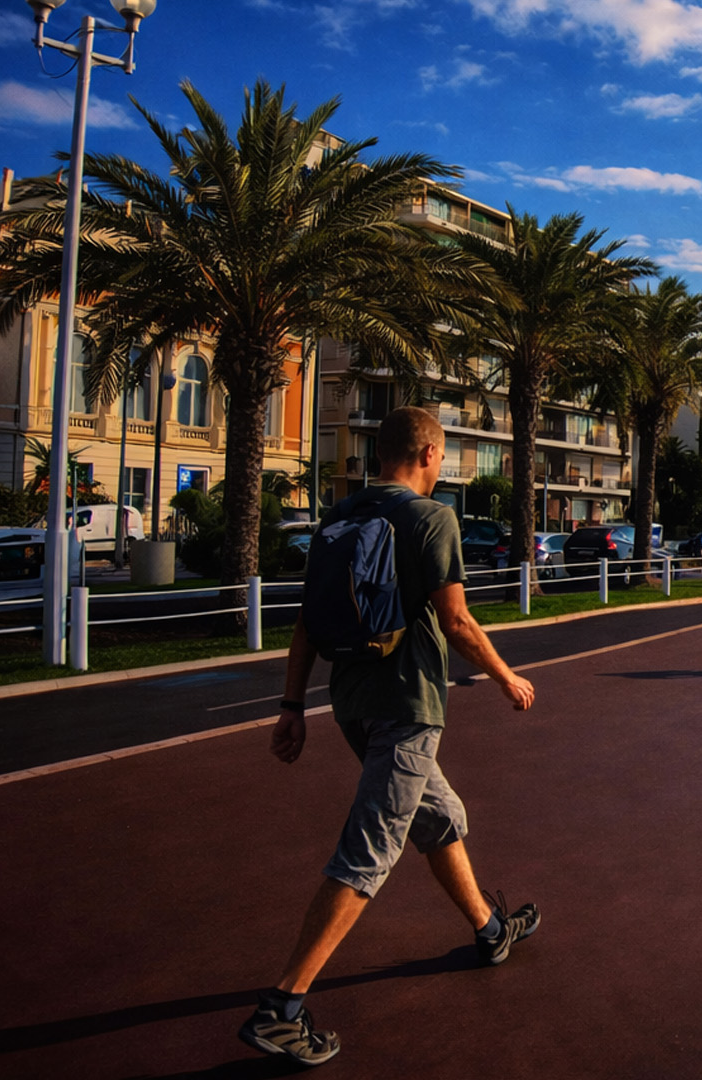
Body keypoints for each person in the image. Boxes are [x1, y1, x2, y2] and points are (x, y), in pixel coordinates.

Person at [241, 407, 539, 1067]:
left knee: (439, 818)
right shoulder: (430, 517)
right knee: (370, 849)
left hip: (352, 703)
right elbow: (456, 621)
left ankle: (490, 930)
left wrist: (292, 706)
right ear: (430, 454)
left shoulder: (337, 522)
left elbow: (305, 626)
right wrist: (505, 675)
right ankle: (282, 1008)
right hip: (407, 704)